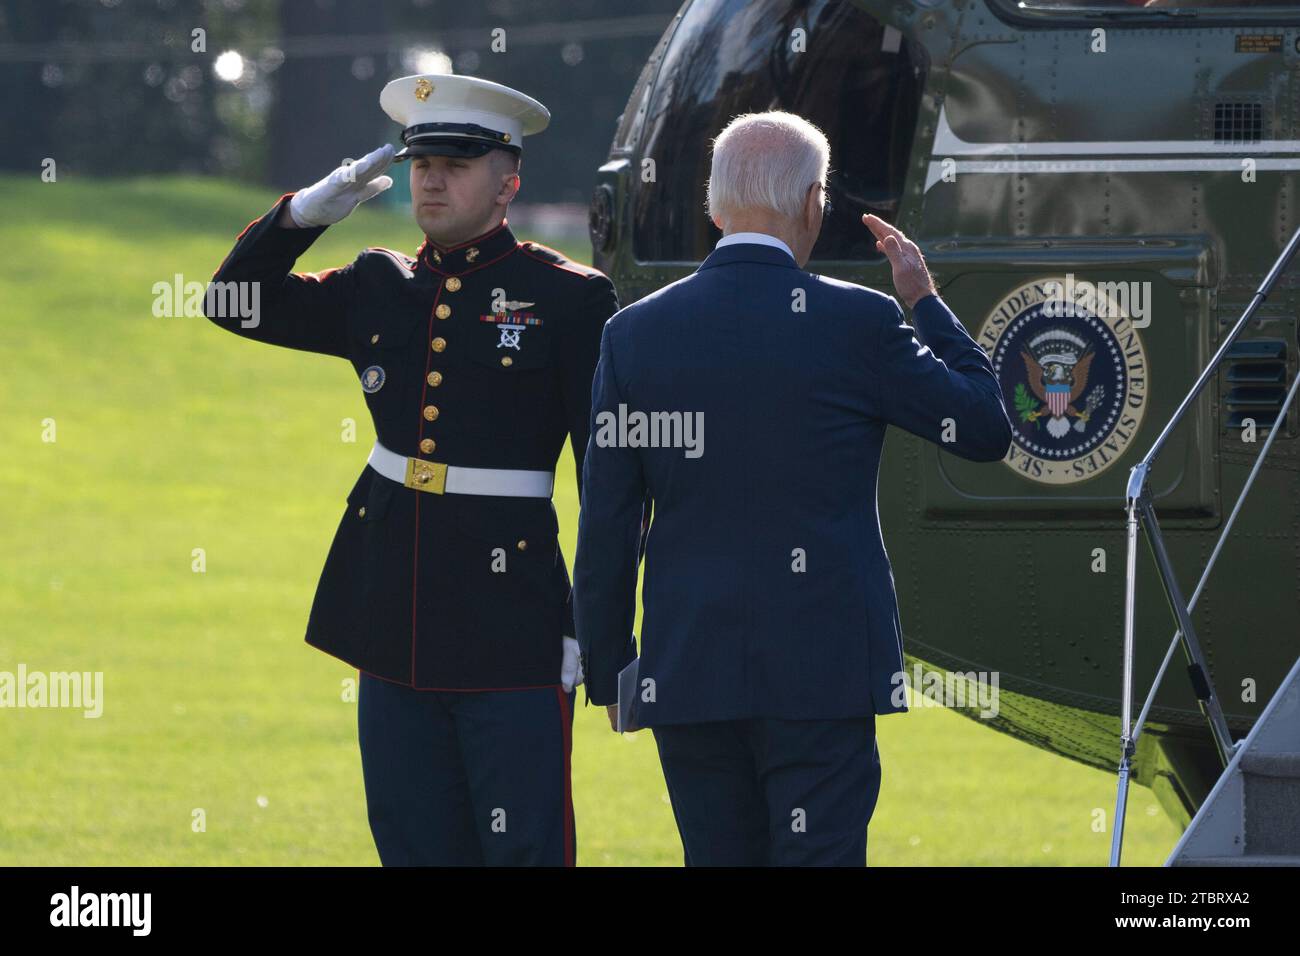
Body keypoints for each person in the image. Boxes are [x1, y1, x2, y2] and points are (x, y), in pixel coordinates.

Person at [572, 111, 1013, 866]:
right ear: (813, 203)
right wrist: (927, 305)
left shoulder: (635, 333)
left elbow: (609, 518)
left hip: (690, 668)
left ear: (714, 207)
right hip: (823, 670)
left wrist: (613, 665)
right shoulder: (859, 321)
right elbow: (982, 430)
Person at [203, 73, 620, 866]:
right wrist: (303, 214)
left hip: (514, 620)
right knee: (412, 842)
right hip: (390, 605)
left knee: (524, 845)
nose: (431, 177)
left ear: (508, 181)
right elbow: (232, 304)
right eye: (422, 161)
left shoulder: (568, 298)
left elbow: (607, 478)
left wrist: (598, 630)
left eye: (457, 162)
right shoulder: (378, 285)